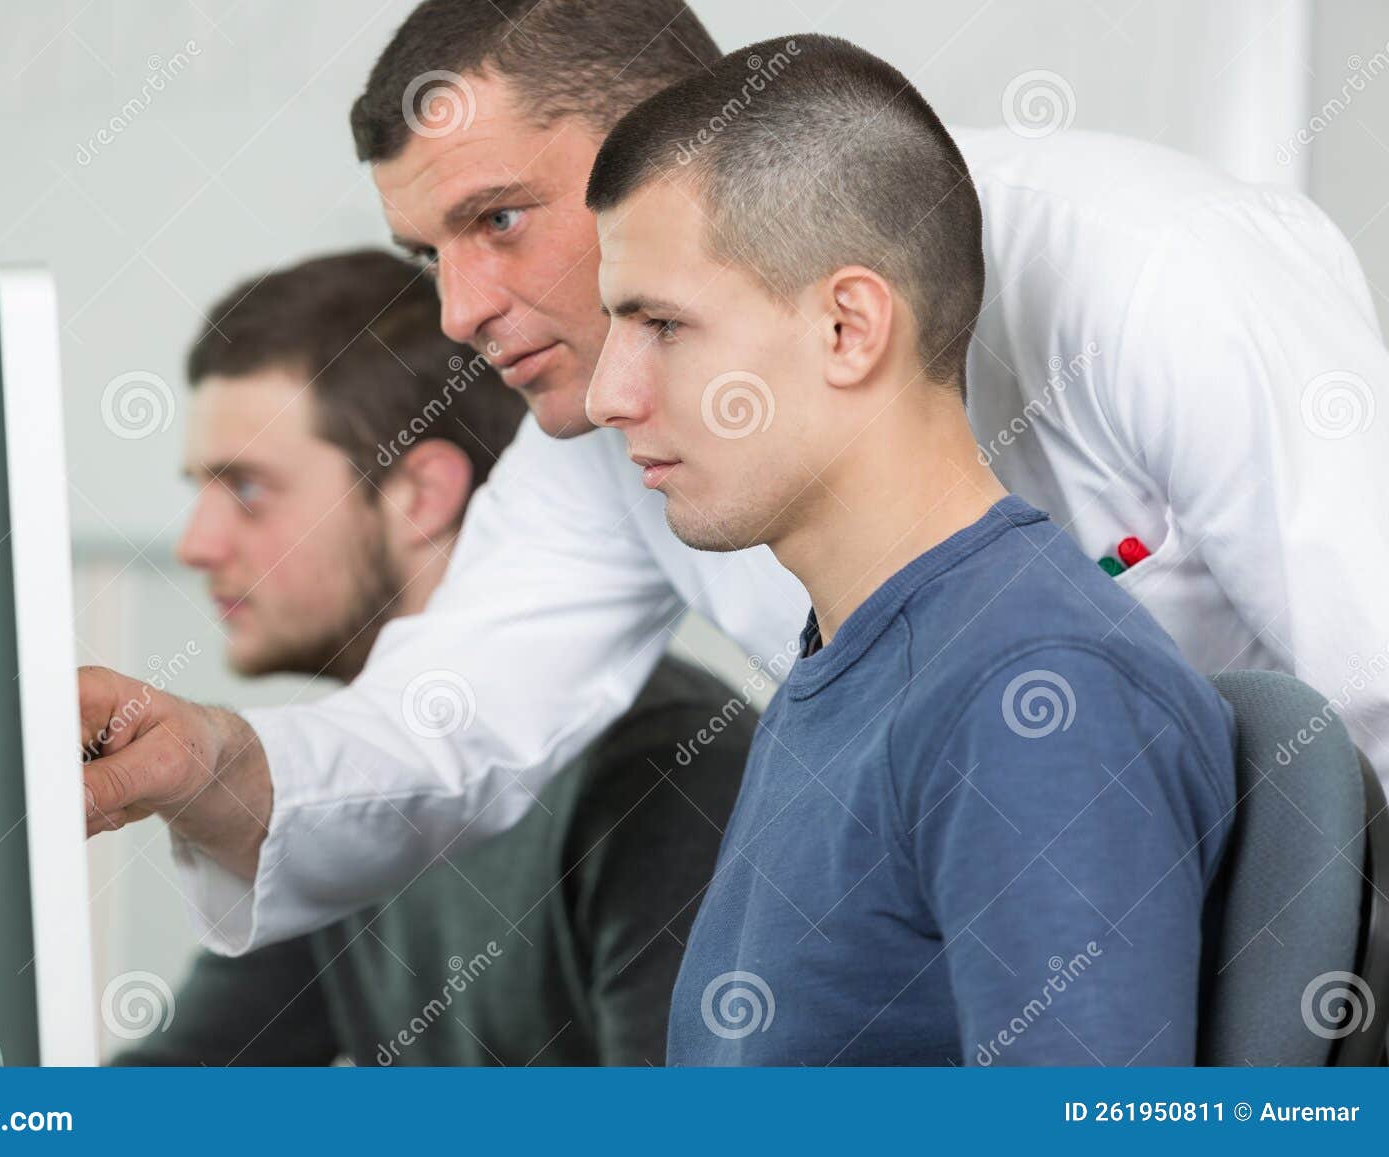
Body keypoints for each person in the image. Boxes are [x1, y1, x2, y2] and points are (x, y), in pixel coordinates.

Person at [78, 0, 1389, 956]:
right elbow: (440, 732)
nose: (460, 311)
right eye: (430, 255)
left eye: (498, 219)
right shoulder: (601, 426)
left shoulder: (1160, 270)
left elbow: (1376, 684)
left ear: (666, 146)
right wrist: (203, 760)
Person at [584, 33, 1235, 1066]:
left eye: (661, 323)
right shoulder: (853, 660)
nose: (605, 395)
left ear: (849, 329)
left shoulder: (1034, 696)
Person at [112, 250, 751, 1066]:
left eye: (246, 489)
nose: (195, 545)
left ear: (421, 494)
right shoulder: (330, 801)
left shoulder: (671, 773)